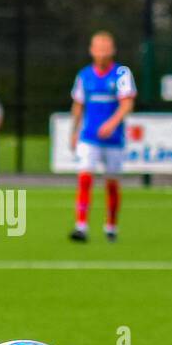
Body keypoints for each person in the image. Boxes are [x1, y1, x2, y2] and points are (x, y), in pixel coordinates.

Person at [69, 31, 135, 243]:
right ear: (91, 50)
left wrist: (112, 123)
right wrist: (73, 132)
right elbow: (78, 105)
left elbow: (127, 104)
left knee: (112, 183)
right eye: (98, 48)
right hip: (89, 137)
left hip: (114, 139)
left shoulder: (122, 74)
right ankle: (81, 226)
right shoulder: (84, 75)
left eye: (106, 48)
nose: (102, 53)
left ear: (113, 50)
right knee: (85, 177)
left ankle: (111, 226)